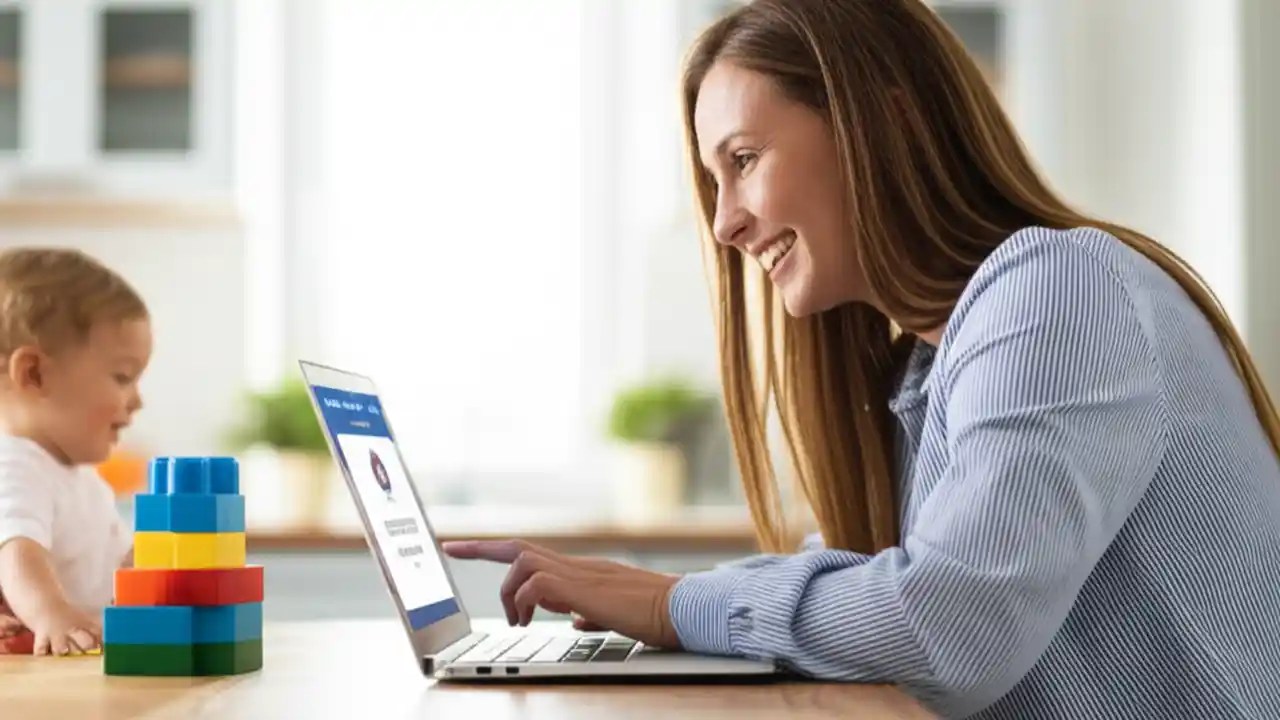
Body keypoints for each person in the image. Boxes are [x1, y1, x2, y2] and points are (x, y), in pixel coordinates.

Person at [444, 0, 1280, 716]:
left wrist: (673, 605)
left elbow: (948, 627)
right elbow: (863, 592)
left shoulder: (1061, 289)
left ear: (883, 124)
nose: (725, 223)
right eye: (715, 181)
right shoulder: (925, 374)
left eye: (744, 160)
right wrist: (656, 603)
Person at [0, 248, 150, 656]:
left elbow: (102, 568)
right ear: (34, 374)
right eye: (122, 377)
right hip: (51, 667)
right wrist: (51, 614)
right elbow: (18, 551)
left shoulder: (73, 472)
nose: (137, 401)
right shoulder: (15, 465)